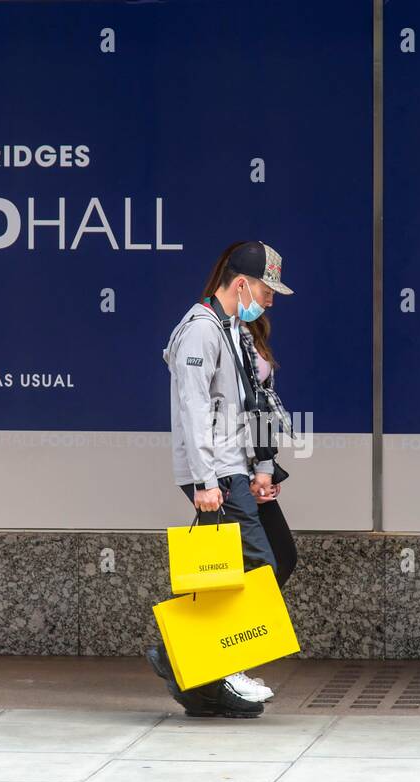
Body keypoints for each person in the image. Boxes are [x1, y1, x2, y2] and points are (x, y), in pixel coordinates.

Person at [146, 240, 298, 718]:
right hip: (216, 472)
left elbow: (248, 404)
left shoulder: (232, 330)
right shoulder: (200, 332)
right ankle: (217, 660)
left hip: (236, 468)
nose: (270, 300)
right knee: (256, 569)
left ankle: (181, 658)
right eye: (266, 289)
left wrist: (262, 467)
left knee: (270, 562)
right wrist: (205, 480)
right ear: (240, 284)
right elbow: (192, 411)